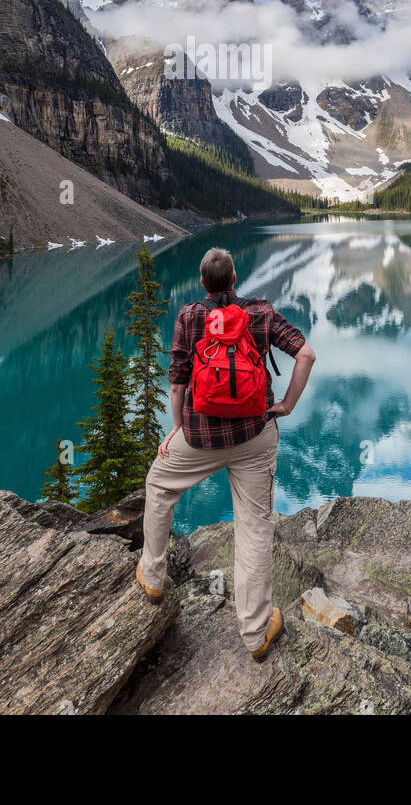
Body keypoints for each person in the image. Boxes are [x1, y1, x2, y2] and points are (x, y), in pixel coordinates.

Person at [137, 246, 316, 660]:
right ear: (234, 280)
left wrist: (177, 430)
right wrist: (286, 405)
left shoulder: (188, 317)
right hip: (254, 435)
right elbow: (306, 355)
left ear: (203, 282)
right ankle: (255, 634)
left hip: (199, 437)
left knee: (159, 484)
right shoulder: (261, 313)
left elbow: (179, 383)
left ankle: (152, 577)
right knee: (254, 527)